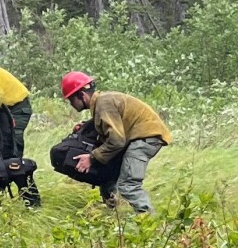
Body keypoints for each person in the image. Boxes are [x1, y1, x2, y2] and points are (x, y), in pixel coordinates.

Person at [60, 71, 170, 214]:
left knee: (128, 185)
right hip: (141, 136)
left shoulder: (103, 103)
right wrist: (87, 127)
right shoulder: (102, 102)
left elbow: (117, 141)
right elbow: (112, 126)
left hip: (145, 137)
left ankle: (151, 222)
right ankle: (114, 216)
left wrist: (91, 157)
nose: (71, 104)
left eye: (71, 99)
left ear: (81, 95)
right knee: (109, 176)